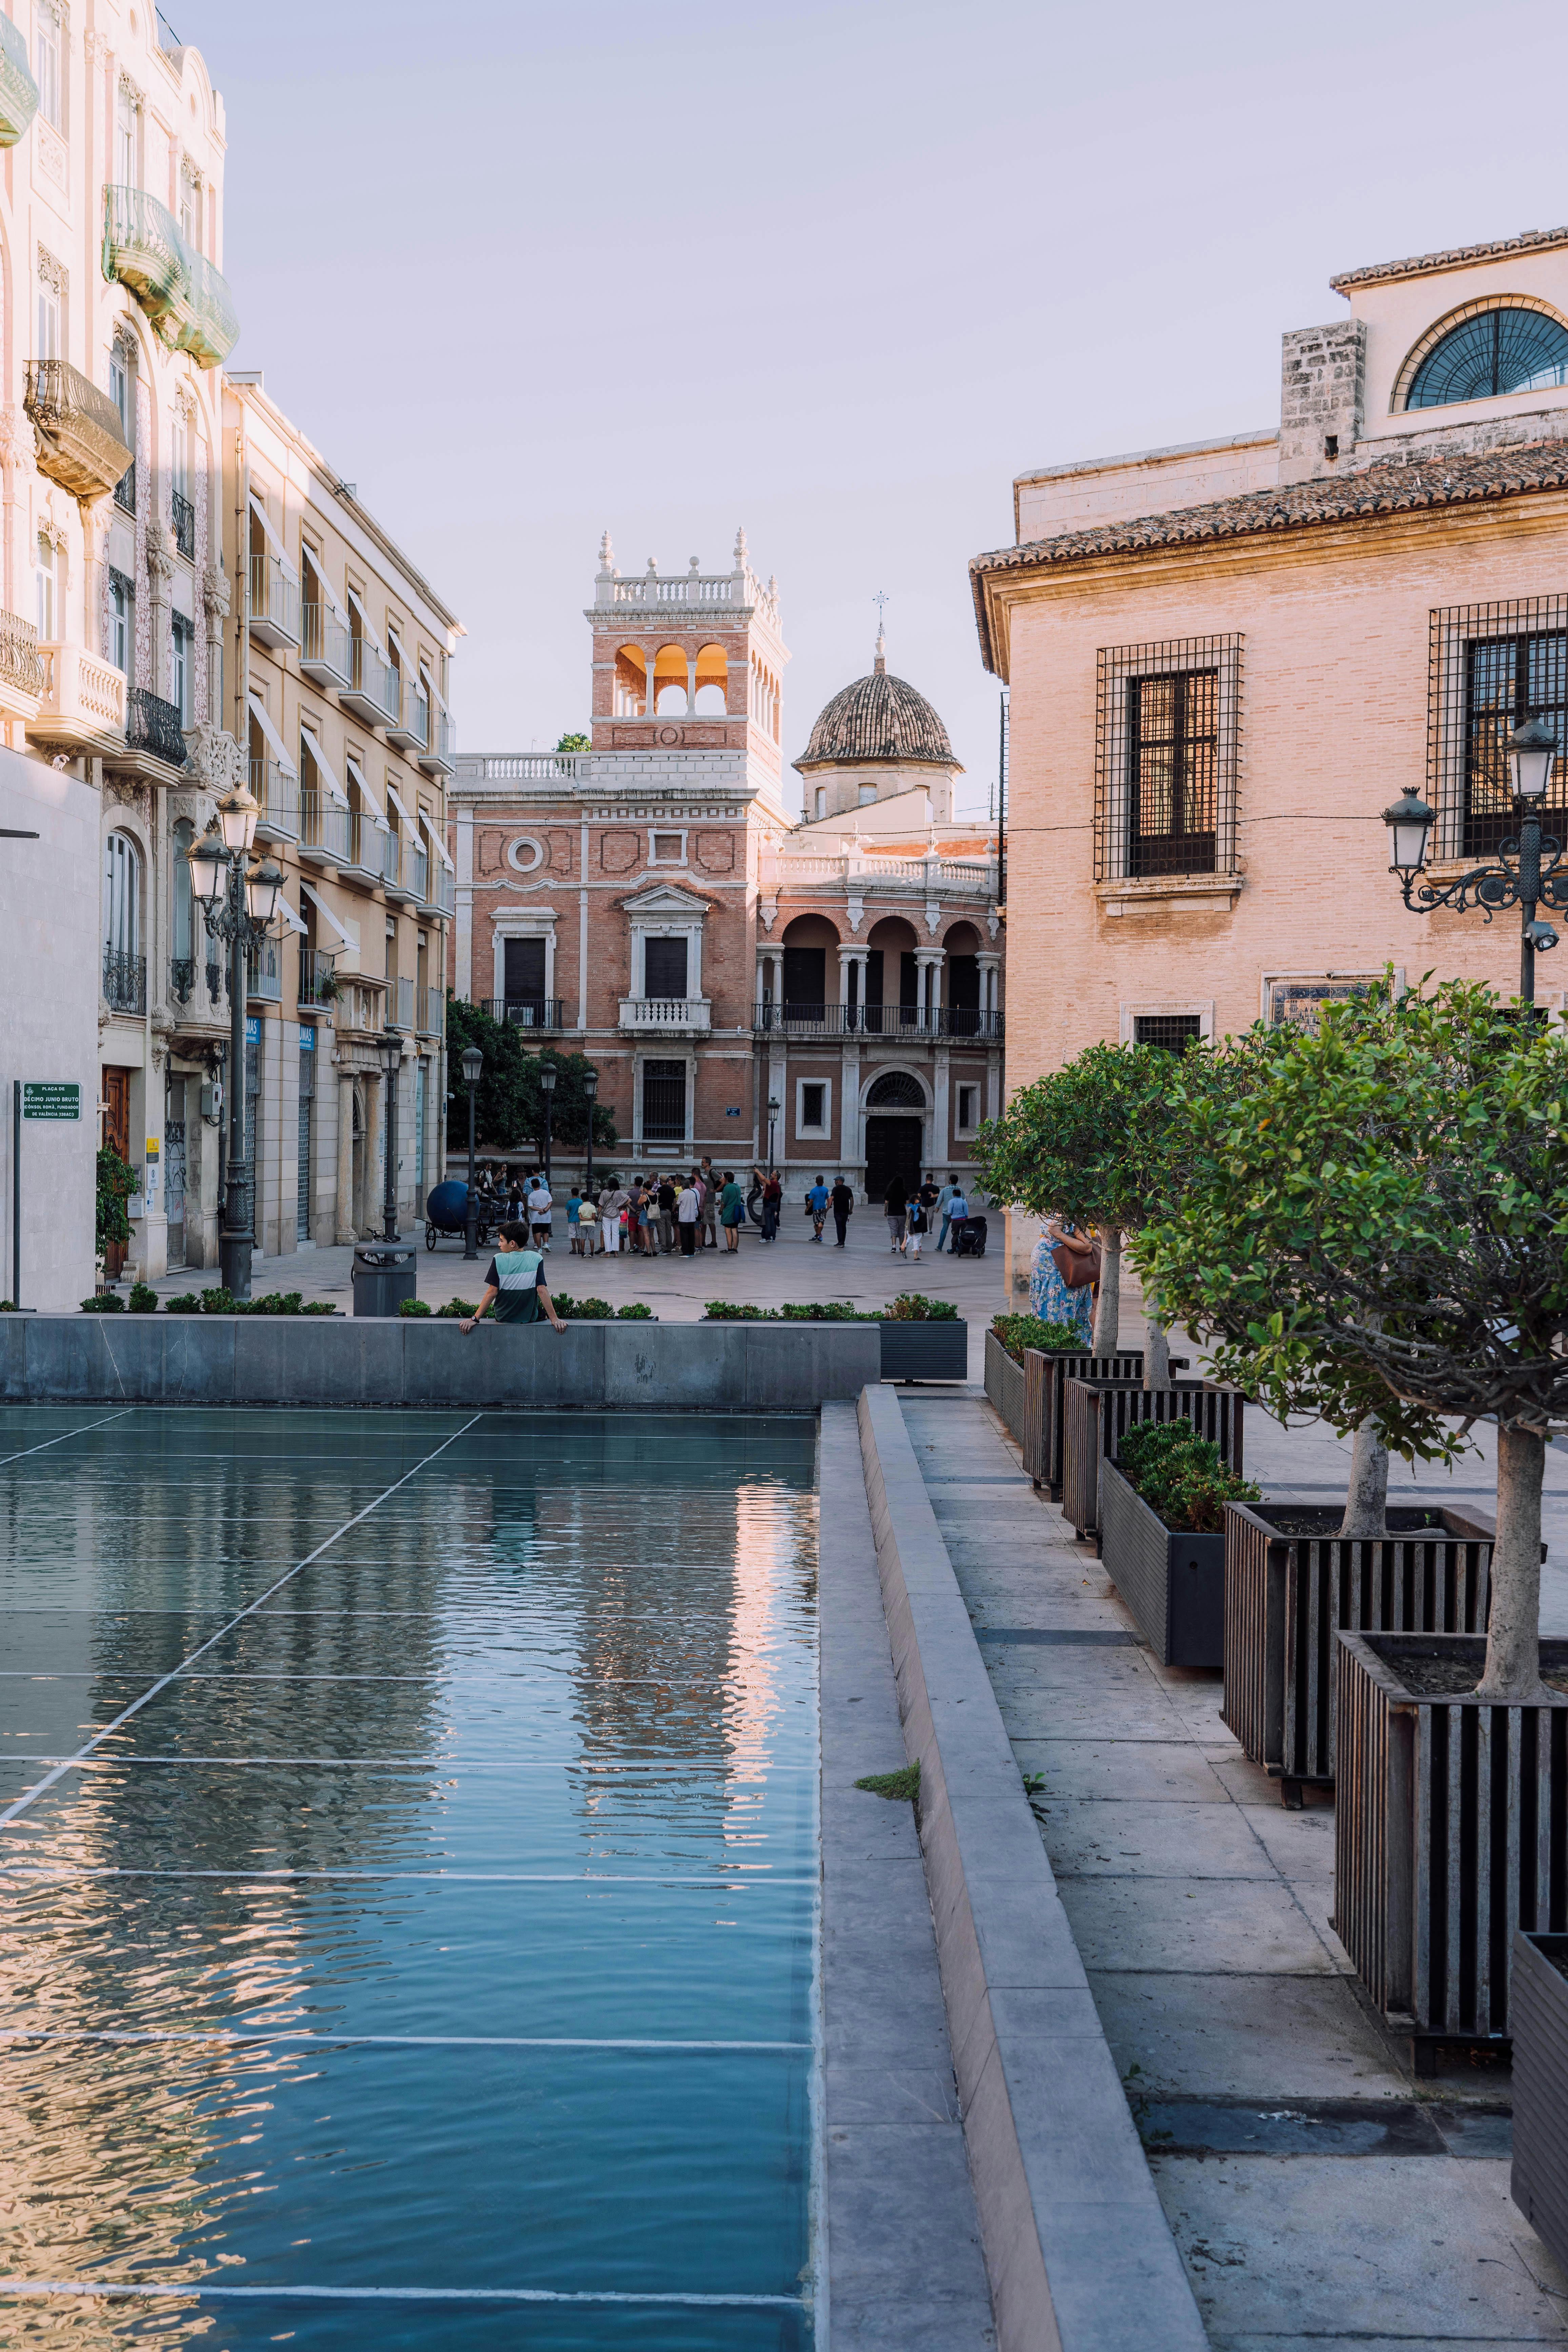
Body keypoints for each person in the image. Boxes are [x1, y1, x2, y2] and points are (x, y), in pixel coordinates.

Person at [458, 1221, 567, 1335]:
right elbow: (541, 1289)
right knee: (540, 1313)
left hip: (503, 1316)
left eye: (501, 1241)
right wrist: (555, 1320)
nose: (499, 1245)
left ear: (512, 1244)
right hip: (528, 1318)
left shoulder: (498, 1259)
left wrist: (474, 1319)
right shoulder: (536, 1258)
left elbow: (492, 1292)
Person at [1030, 1215, 1096, 1343]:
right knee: (1045, 1315)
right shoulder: (1054, 1210)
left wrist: (1059, 1234)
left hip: (1063, 1279)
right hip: (1045, 1279)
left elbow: (1087, 1247)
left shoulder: (1074, 1213)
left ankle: (1061, 1351)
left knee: (1062, 1317)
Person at [599, 1178, 627, 1255]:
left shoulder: (604, 1193)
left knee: (607, 1234)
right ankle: (616, 1253)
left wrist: (598, 1214)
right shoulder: (619, 1193)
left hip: (607, 1216)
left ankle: (608, 1253)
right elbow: (629, 1200)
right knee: (616, 1234)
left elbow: (601, 1205)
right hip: (616, 1215)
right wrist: (620, 1205)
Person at [526, 1172, 553, 1251]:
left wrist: (539, 1209)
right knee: (546, 1232)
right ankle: (546, 1244)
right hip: (546, 1216)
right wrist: (545, 1210)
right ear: (540, 1185)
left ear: (532, 1186)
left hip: (536, 1217)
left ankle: (539, 1248)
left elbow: (530, 1206)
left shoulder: (531, 1195)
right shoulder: (546, 1193)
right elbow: (550, 1202)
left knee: (537, 1232)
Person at [884, 1171, 909, 1254]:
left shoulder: (890, 1191)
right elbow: (908, 1203)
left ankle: (894, 1247)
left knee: (893, 1230)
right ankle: (902, 1247)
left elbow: (886, 1202)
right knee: (902, 1231)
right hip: (902, 1213)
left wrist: (885, 1211)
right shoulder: (904, 1191)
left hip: (892, 1213)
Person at [677, 1174, 701, 1256]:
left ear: (683, 1186)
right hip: (692, 1217)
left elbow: (678, 1203)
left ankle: (686, 1252)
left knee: (684, 1236)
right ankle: (692, 1251)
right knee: (691, 1236)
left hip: (684, 1218)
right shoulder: (693, 1194)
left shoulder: (682, 1194)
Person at [720, 1169, 745, 1250]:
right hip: (737, 1211)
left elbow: (724, 1202)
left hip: (729, 1211)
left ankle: (730, 1248)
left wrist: (721, 1210)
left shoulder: (727, 1188)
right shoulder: (737, 1186)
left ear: (726, 1179)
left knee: (728, 1230)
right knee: (735, 1229)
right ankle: (735, 1249)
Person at [699, 1156, 720, 1250]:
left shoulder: (712, 1172)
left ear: (708, 1163)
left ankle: (714, 1242)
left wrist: (716, 1190)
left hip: (710, 1200)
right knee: (704, 1222)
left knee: (711, 1221)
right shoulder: (705, 1172)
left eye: (703, 1162)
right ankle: (703, 1241)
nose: (702, 1163)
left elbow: (723, 1181)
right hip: (704, 1200)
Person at [830, 1174, 854, 1247]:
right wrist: (851, 1209)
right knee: (844, 1226)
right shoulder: (848, 1189)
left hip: (837, 1211)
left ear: (840, 1181)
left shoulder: (835, 1189)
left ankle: (840, 1242)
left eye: (836, 1181)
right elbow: (852, 1200)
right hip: (846, 1211)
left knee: (839, 1226)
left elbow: (832, 1198)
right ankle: (843, 1242)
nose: (835, 1182)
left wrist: (828, 1207)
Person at [935, 1176, 957, 1253]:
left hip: (946, 1213)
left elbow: (940, 1200)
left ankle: (940, 1246)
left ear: (950, 1181)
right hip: (957, 1214)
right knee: (956, 1230)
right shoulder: (960, 1190)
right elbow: (964, 1200)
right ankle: (957, 1247)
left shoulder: (945, 1190)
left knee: (945, 1228)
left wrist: (937, 1208)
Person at [656, 1175, 676, 1255]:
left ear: (661, 1181)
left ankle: (664, 1249)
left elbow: (656, 1197)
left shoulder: (660, 1189)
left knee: (662, 1230)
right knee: (669, 1230)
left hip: (662, 1211)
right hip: (669, 1212)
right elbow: (674, 1203)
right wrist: (672, 1210)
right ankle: (669, 1248)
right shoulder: (672, 1190)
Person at [760, 1167, 782, 1242]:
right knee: (772, 1221)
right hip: (774, 1205)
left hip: (769, 1204)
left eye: (773, 1174)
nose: (771, 1174)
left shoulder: (773, 1183)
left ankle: (767, 1237)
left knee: (768, 1221)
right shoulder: (777, 1185)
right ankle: (773, 1237)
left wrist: (757, 1171)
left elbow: (764, 1179)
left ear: (776, 1177)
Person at [806, 1173, 829, 1242]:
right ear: (823, 1182)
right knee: (821, 1223)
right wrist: (827, 1208)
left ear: (816, 1182)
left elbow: (811, 1201)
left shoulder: (813, 1191)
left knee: (817, 1223)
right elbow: (828, 1199)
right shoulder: (826, 1190)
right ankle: (818, 1235)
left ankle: (819, 1235)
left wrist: (807, 1209)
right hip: (823, 1208)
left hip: (816, 1209)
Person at [906, 1188, 928, 1261]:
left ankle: (915, 1255)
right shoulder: (912, 1210)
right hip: (913, 1229)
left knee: (915, 1242)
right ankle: (905, 1248)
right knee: (911, 1240)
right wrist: (910, 1230)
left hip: (917, 1230)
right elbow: (909, 1221)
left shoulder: (917, 1209)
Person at [566, 1187, 584, 1257]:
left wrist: (569, 1218)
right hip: (579, 1219)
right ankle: (580, 1249)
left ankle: (574, 1249)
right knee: (579, 1234)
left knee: (572, 1234)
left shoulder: (570, 1203)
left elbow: (568, 1212)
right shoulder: (581, 1202)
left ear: (572, 1194)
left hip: (572, 1219)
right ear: (578, 1193)